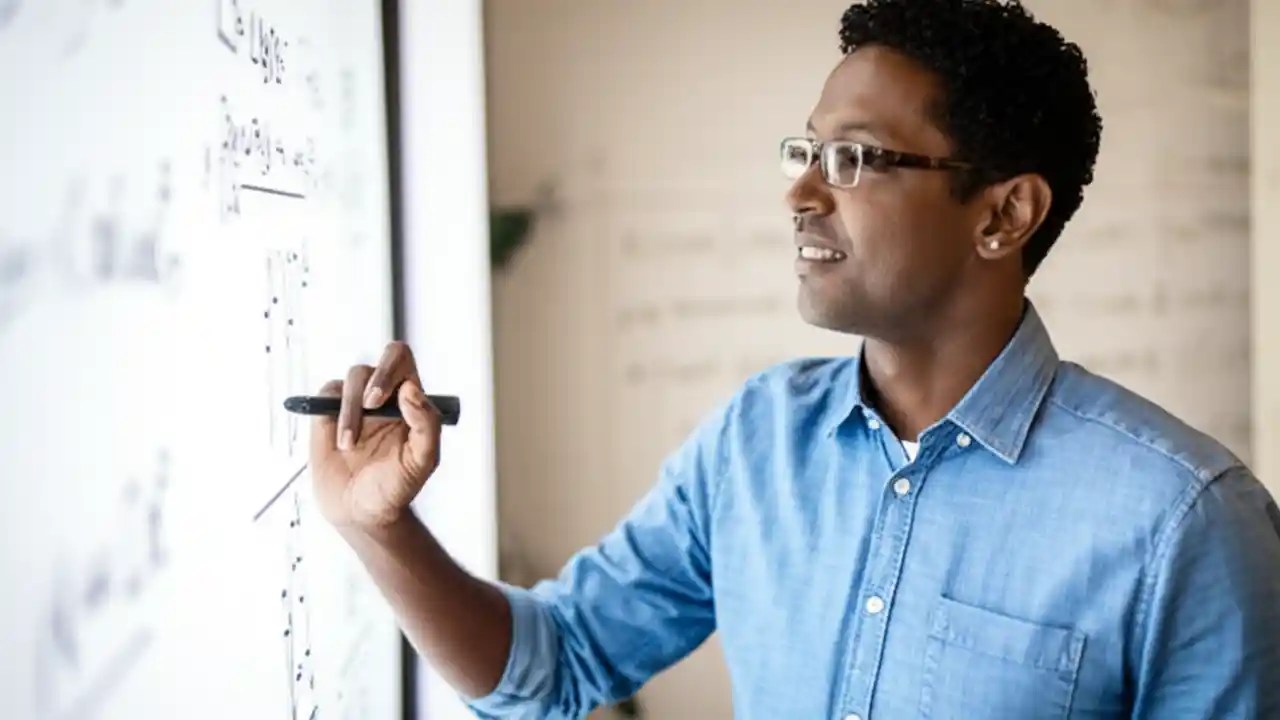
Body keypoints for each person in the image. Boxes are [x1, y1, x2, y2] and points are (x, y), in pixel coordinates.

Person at [312, 1, 1280, 717]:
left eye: (853, 160)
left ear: (1001, 214)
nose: (800, 196)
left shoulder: (1182, 520)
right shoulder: (752, 441)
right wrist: (382, 530)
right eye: (803, 152)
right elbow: (555, 664)